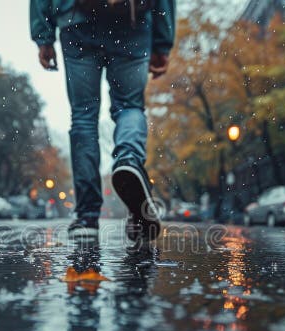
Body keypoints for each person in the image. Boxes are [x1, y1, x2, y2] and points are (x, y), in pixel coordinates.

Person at [30, 0, 176, 241]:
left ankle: (87, 217)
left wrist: (43, 37)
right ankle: (129, 160)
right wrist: (162, 42)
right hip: (132, 19)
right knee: (129, 106)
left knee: (83, 117)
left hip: (76, 19)